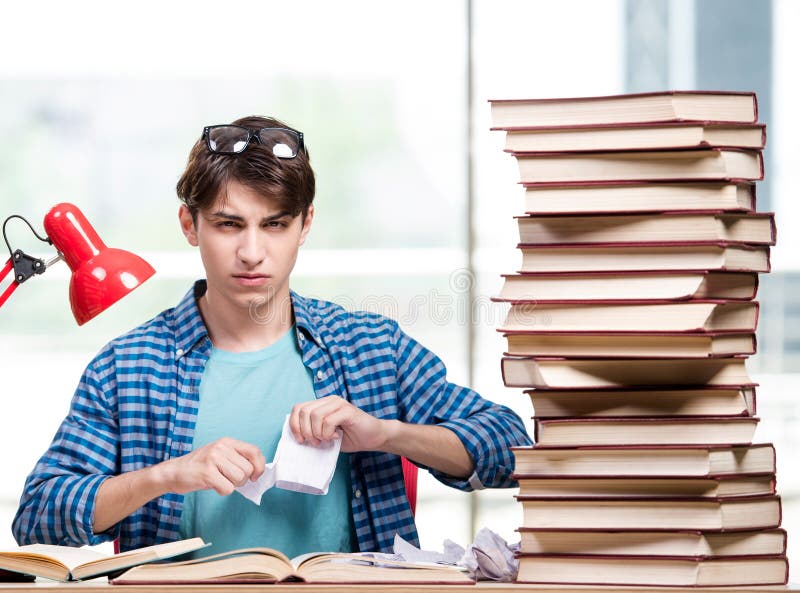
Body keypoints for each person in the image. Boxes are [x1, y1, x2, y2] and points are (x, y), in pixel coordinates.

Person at [13, 116, 532, 556]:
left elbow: (512, 450)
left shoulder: (369, 346)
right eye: (228, 225)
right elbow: (39, 513)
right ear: (189, 226)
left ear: (306, 224)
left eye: (276, 225)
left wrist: (388, 434)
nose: (252, 252)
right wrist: (165, 476)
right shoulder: (128, 367)